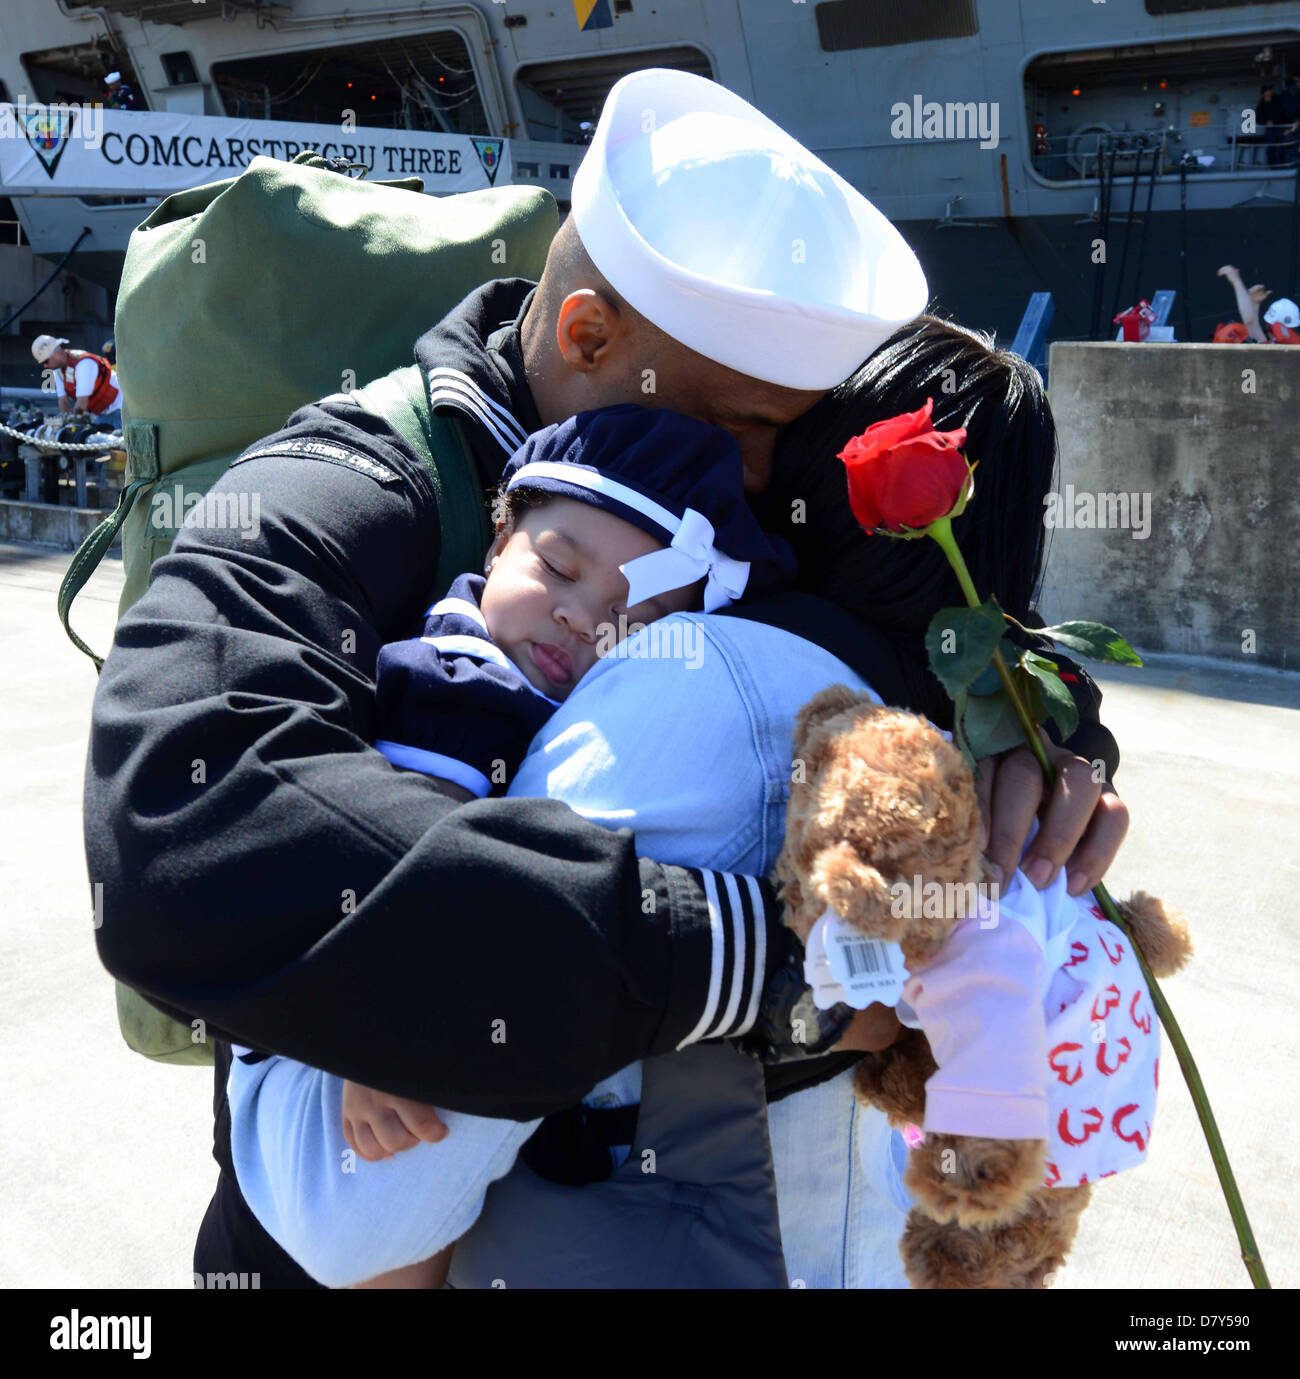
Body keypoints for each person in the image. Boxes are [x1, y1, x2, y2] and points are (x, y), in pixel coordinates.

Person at [85, 68, 1127, 1287]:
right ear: (586, 335)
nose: (757, 485)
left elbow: (900, 610)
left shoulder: (725, 489)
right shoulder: (351, 480)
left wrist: (1040, 719)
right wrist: (752, 952)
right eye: (739, 430)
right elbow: (177, 817)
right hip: (334, 1215)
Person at [229, 402, 797, 1288]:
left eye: (634, 617)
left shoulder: (577, 695)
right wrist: (368, 1038)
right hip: (327, 1023)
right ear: (498, 542)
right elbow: (408, 871)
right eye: (558, 566)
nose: (581, 616)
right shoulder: (460, 682)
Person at [31, 334, 122, 428]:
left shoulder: (83, 363)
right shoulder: (59, 371)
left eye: (45, 361)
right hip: (102, 413)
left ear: (56, 354)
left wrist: (72, 424)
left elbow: (82, 403)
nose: (45, 366)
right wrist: (65, 422)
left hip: (121, 408)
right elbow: (63, 400)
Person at [1257, 84, 1288, 167]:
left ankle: (1282, 165)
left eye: (1271, 90)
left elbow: (1283, 114)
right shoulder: (1261, 104)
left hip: (1281, 127)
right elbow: (1259, 119)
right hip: (1270, 129)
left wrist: (1275, 121)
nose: (1271, 92)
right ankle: (1272, 166)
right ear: (1264, 92)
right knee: (1270, 148)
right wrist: (1266, 122)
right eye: (1269, 90)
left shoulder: (1278, 100)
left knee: (1281, 147)